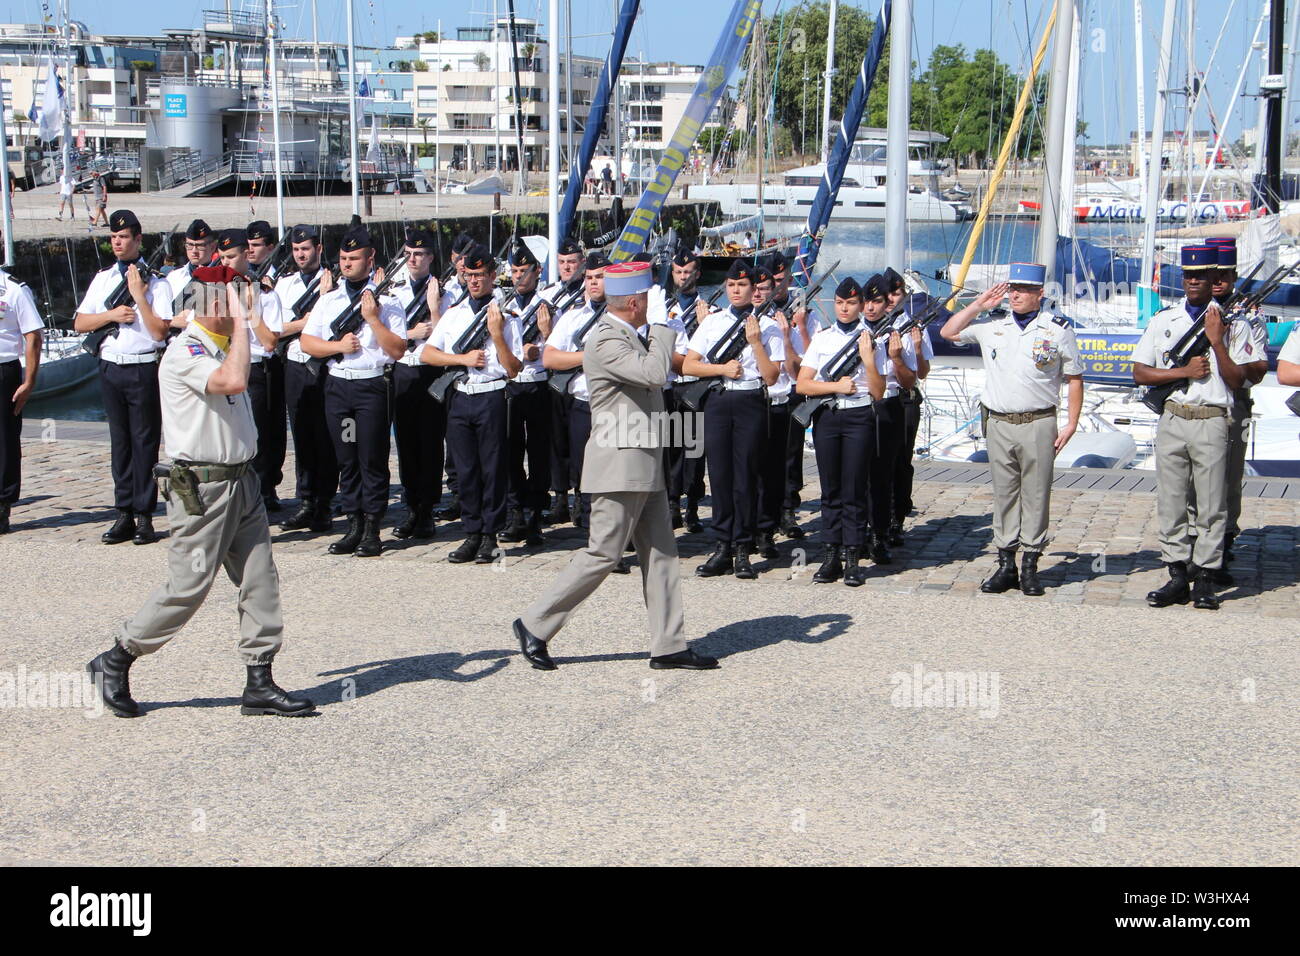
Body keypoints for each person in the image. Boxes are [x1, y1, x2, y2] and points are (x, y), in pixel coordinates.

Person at [86, 267, 314, 719]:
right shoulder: (186, 351)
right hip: (203, 489)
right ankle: (116, 658)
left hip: (240, 481)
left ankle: (259, 681)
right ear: (211, 305)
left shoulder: (221, 347)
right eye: (230, 299)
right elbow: (233, 382)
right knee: (188, 586)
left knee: (259, 580)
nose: (242, 306)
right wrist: (244, 322)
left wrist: (241, 326)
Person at [513, 261, 718, 673]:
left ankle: (668, 644)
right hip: (619, 462)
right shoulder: (606, 339)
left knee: (661, 554)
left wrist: (654, 331)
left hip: (645, 461)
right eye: (646, 299)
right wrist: (663, 329)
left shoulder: (630, 334)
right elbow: (655, 373)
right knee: (603, 553)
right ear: (635, 303)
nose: (650, 305)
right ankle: (535, 623)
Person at [940, 263, 1083, 597]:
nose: (1015, 295)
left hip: (1038, 421)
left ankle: (1031, 564)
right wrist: (978, 305)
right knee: (1004, 494)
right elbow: (948, 332)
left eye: (1023, 289)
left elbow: (1075, 378)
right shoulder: (993, 327)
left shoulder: (1057, 330)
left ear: (1039, 293)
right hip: (1000, 422)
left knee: (1036, 493)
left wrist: (1072, 423)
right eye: (1011, 289)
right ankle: (1006, 564)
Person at [1132, 245, 1254, 611]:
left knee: (1213, 504)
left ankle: (1205, 576)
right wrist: (1182, 373)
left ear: (1214, 279)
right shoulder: (1164, 320)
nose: (1194, 282)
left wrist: (1217, 341)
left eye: (1201, 276)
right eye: (1188, 276)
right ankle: (1176, 574)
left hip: (1213, 419)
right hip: (1173, 416)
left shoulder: (1235, 323)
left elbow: (1238, 380)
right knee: (1171, 501)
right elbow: (1140, 372)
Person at [301, 225, 406, 558]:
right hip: (339, 389)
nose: (347, 264)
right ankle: (354, 523)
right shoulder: (329, 300)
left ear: (370, 257)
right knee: (347, 457)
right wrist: (336, 345)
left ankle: (373, 526)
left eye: (354, 257)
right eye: (343, 258)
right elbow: (306, 341)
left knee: (371, 457)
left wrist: (373, 320)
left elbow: (398, 350)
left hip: (371, 388)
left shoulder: (387, 302)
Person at [73, 209, 174, 545]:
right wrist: (111, 315)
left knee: (145, 442)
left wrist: (140, 295)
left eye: (124, 237)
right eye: (113, 237)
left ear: (138, 239)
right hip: (110, 365)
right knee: (120, 443)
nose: (117, 242)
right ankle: (124, 513)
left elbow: (160, 332)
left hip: (142, 366)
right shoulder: (102, 279)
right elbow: (80, 323)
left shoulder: (157, 282)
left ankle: (144, 515)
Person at [683, 258, 784, 579]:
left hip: (750, 399)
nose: (736, 290)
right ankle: (722, 545)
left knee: (746, 476)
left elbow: (771, 376)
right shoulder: (712, 323)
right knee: (721, 475)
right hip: (719, 398)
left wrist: (755, 343)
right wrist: (720, 369)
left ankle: (743, 546)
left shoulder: (767, 327)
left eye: (742, 285)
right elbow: (688, 365)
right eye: (731, 285)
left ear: (755, 289)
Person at [422, 244, 522, 564]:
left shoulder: (505, 315)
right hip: (460, 394)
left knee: (492, 469)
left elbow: (513, 368)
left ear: (493, 276)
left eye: (480, 275)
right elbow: (428, 353)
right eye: (469, 275)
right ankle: (471, 533)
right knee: (464, 469)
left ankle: (490, 535)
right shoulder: (454, 314)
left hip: (492, 394)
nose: (474, 281)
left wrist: (497, 335)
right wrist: (461, 359)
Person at [795, 277, 882, 586]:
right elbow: (803, 384)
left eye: (851, 304)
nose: (845, 309)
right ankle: (831, 555)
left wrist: (869, 361)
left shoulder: (871, 337)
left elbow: (879, 391)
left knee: (855, 488)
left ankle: (853, 557)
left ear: (860, 306)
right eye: (841, 303)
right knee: (830, 488)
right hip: (829, 417)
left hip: (859, 415)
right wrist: (835, 386)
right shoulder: (822, 338)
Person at [1205, 238, 1268, 580]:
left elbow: (1257, 369)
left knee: (1228, 478)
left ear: (1233, 275)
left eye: (1223, 275)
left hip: (1233, 402)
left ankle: (1224, 543)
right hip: (1196, 400)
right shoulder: (1191, 306)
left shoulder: (1249, 312)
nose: (1217, 281)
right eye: (1211, 273)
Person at [213, 229, 286, 512]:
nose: (226, 263)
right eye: (221, 257)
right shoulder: (211, 291)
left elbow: (269, 342)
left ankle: (260, 494)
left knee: (258, 437)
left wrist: (249, 311)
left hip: (254, 369)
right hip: (222, 368)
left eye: (231, 257)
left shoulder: (265, 295)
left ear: (246, 254)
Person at [275, 224, 339, 534]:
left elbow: (331, 329)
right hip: (295, 365)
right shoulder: (284, 285)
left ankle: (324, 503)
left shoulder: (334, 284)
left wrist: (303, 322)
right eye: (297, 250)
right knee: (300, 433)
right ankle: (306, 500)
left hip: (324, 365)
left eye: (306, 249)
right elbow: (274, 330)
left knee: (324, 436)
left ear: (319, 249)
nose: (301, 254)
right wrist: (305, 321)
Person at [389, 226, 444, 540]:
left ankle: (427, 510)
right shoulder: (394, 290)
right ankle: (412, 506)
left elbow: (448, 338)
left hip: (429, 372)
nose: (413, 260)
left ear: (430, 258)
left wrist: (435, 311)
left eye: (419, 255)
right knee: (406, 445)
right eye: (408, 254)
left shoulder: (443, 291)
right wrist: (411, 334)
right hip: (403, 371)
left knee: (430, 444)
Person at [498, 241, 553, 547]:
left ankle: (535, 514)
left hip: (539, 382)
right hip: (510, 385)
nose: (519, 277)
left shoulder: (547, 304)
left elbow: (561, 344)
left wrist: (543, 341)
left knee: (539, 452)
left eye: (524, 271)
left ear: (537, 271)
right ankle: (515, 511)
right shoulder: (502, 302)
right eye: (514, 271)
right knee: (510, 450)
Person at [857, 273, 914, 565]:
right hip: (855, 406)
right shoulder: (847, 332)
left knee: (882, 475)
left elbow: (909, 381)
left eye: (877, 301)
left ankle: (878, 534)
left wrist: (897, 358)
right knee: (856, 476)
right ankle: (855, 535)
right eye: (866, 301)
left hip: (887, 407)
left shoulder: (898, 333)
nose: (870, 307)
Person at [752, 265, 804, 561]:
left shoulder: (781, 323)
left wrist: (786, 337)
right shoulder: (730, 321)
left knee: (774, 472)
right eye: (754, 288)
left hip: (778, 403)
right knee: (748, 471)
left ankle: (767, 530)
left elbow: (796, 372)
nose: (758, 293)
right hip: (748, 403)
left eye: (763, 288)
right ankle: (745, 529)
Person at [765, 251, 812, 539]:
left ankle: (787, 509)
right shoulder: (756, 310)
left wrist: (801, 325)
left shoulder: (802, 311)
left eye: (781, 280)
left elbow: (812, 355)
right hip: (764, 393)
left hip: (792, 389)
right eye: (773, 281)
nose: (778, 286)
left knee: (790, 456)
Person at [539, 238, 585, 525]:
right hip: (555, 376)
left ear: (581, 262)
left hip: (581, 377)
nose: (567, 267)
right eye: (562, 263)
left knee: (580, 441)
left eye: (572, 262)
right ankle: (560, 497)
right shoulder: (549, 295)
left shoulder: (590, 296)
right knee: (556, 440)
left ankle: (581, 496)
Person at [662, 248, 708, 533]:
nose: (682, 277)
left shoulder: (709, 310)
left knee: (694, 448)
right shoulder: (664, 307)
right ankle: (671, 503)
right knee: (670, 447)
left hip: (695, 385)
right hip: (670, 385)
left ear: (697, 274)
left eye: (687, 272)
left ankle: (692, 505)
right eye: (678, 272)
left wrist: (704, 326)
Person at [244, 220, 289, 509]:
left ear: (270, 248)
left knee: (272, 428)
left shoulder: (280, 281)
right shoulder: (242, 282)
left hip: (275, 359)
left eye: (257, 245)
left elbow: (283, 327)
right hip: (248, 359)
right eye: (247, 245)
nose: (251, 251)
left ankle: (268, 483)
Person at [891, 291, 941, 541]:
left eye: (896, 294)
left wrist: (918, 348)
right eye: (886, 295)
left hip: (904, 399)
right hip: (878, 400)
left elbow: (922, 373)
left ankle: (897, 516)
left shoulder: (913, 326)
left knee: (902, 461)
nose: (891, 299)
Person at [0, 259, 43, 534]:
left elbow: (33, 336)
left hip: (3, 368)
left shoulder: (13, 289)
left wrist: (29, 380)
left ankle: (3, 503)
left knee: (4, 439)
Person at [164, 220, 217, 316]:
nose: (194, 251)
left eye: (200, 246)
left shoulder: (221, 276)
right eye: (190, 245)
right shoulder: (174, 277)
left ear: (213, 247)